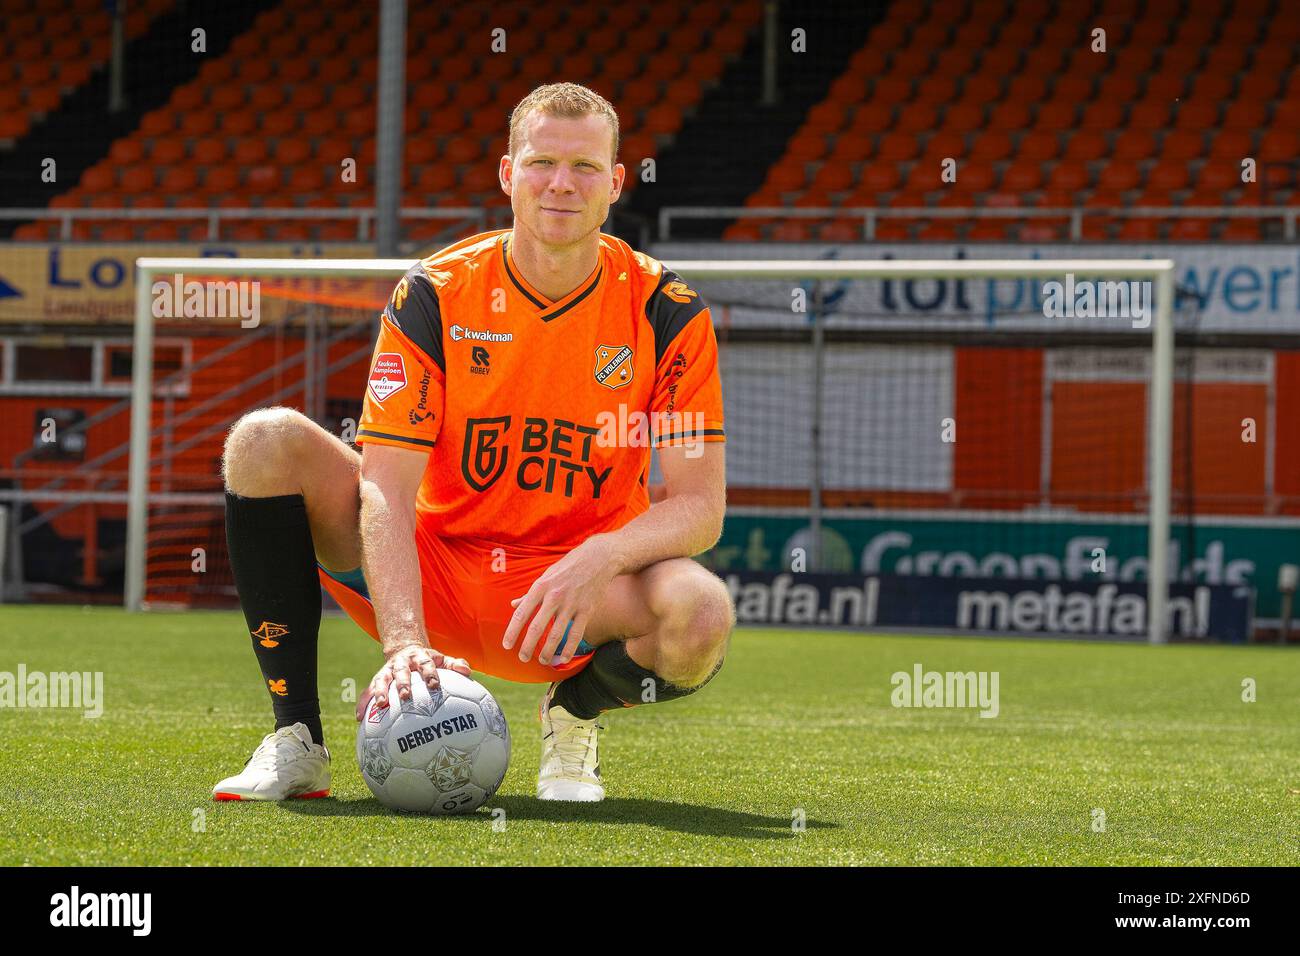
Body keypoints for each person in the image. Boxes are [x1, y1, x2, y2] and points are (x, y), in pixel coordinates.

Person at [213, 82, 732, 804]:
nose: (560, 184)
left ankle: (574, 713)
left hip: (575, 598)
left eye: (584, 168)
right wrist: (403, 641)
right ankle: (296, 739)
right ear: (506, 173)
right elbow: (386, 487)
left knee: (703, 614)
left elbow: (701, 510)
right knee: (264, 440)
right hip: (434, 572)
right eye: (541, 162)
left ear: (615, 183)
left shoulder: (664, 309)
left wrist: (600, 556)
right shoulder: (436, 291)